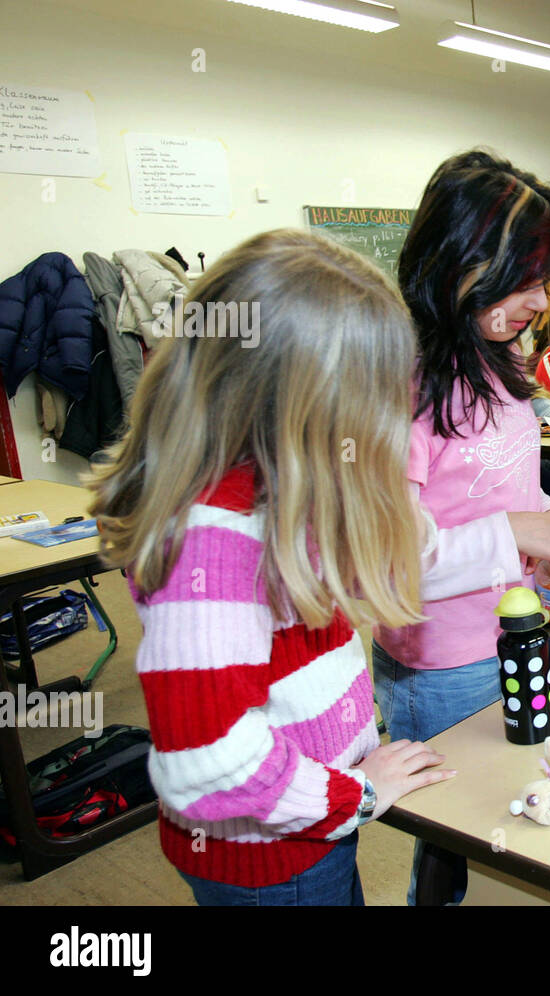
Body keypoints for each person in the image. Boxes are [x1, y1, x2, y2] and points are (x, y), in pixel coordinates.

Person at [87, 229, 467, 905]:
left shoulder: (262, 489)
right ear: (303, 401)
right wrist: (359, 792)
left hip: (306, 822)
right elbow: (209, 766)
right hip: (272, 857)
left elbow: (347, 563)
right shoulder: (209, 541)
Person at [375, 150, 550, 904]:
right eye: (526, 279)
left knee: (514, 819)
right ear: (464, 265)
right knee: (455, 846)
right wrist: (516, 535)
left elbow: (510, 486)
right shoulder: (397, 384)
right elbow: (391, 564)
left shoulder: (494, 358)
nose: (542, 298)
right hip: (443, 664)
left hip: (513, 634)